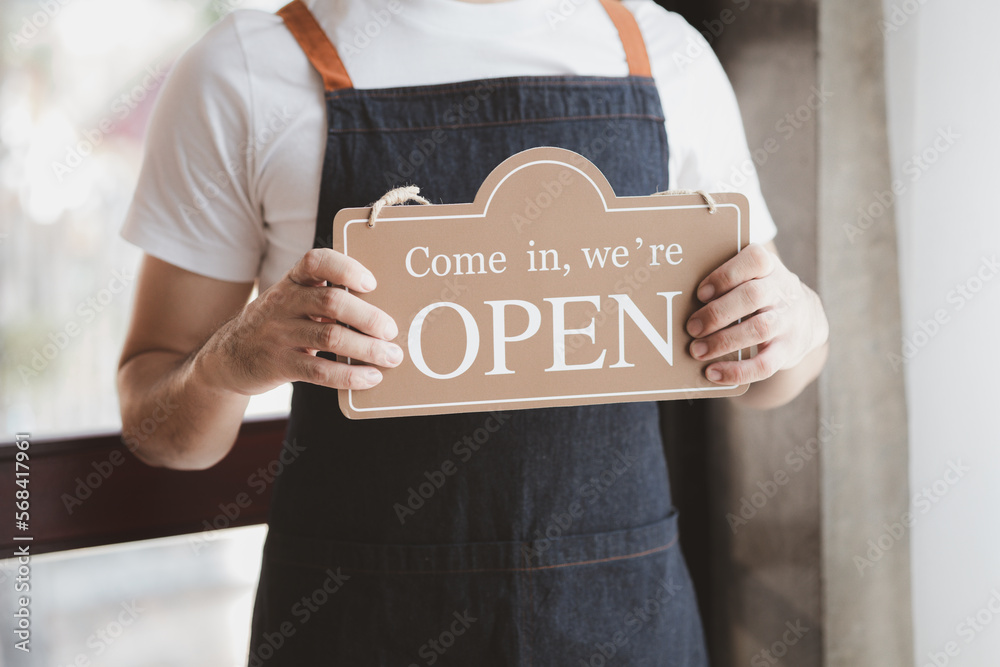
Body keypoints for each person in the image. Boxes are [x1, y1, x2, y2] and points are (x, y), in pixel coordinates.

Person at [117, 0, 829, 663]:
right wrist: (230, 360)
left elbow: (766, 378)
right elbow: (156, 427)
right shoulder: (242, 71)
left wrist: (800, 322)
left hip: (622, 618)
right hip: (354, 622)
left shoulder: (665, 55)